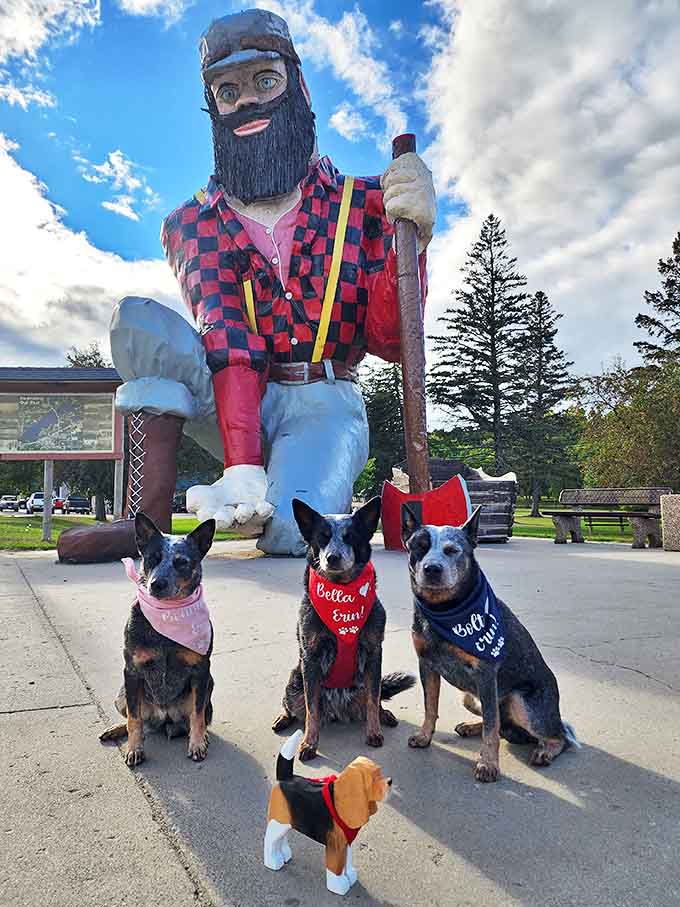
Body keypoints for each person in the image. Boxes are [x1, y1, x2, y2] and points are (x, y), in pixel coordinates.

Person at [57, 8, 435, 562]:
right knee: (137, 325)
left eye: (265, 81)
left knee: (293, 535)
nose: (248, 103)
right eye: (228, 91)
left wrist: (413, 244)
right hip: (238, 395)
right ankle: (147, 523)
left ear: (299, 86)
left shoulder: (369, 201)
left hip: (325, 398)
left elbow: (393, 342)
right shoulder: (192, 222)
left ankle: (291, 487)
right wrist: (240, 468)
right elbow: (227, 333)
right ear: (212, 106)